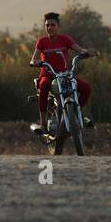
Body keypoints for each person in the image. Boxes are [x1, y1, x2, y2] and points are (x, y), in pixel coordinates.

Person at [29, 12, 95, 140]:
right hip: (48, 74)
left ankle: (78, 115)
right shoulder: (42, 41)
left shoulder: (65, 39)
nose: (49, 28)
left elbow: (79, 49)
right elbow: (34, 58)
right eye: (47, 25)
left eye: (52, 25)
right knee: (44, 85)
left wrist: (85, 52)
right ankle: (42, 123)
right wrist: (35, 62)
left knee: (86, 87)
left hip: (64, 75)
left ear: (58, 26)